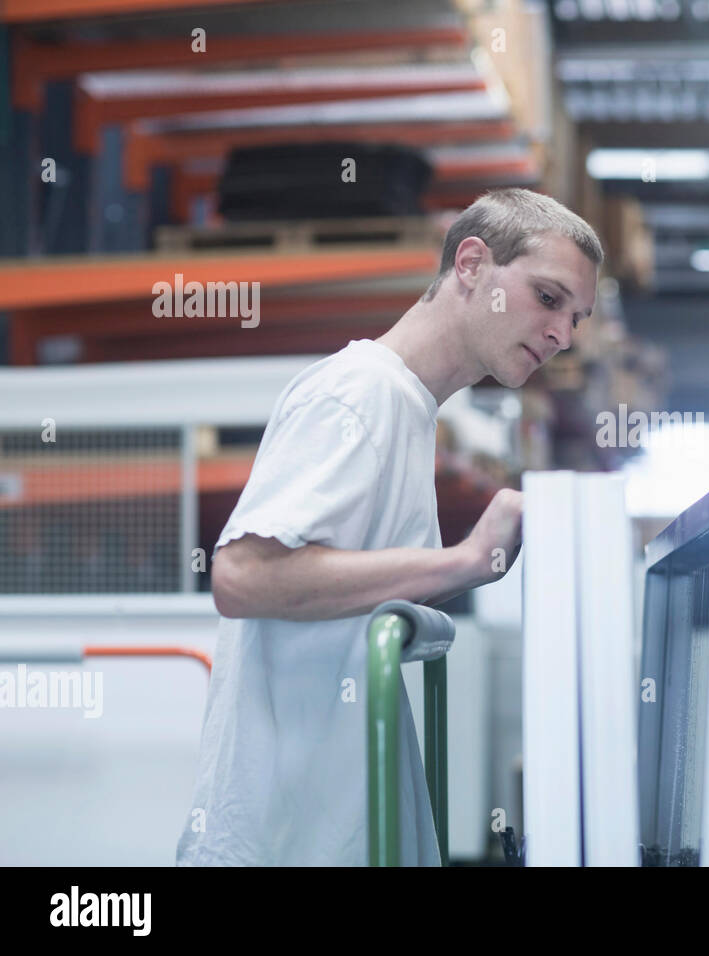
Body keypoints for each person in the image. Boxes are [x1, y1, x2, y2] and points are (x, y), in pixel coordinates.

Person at [177, 188, 602, 866]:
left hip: (325, 824)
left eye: (575, 318)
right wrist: (465, 561)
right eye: (548, 298)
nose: (562, 334)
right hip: (284, 837)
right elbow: (242, 576)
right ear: (470, 265)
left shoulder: (409, 411)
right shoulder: (360, 393)